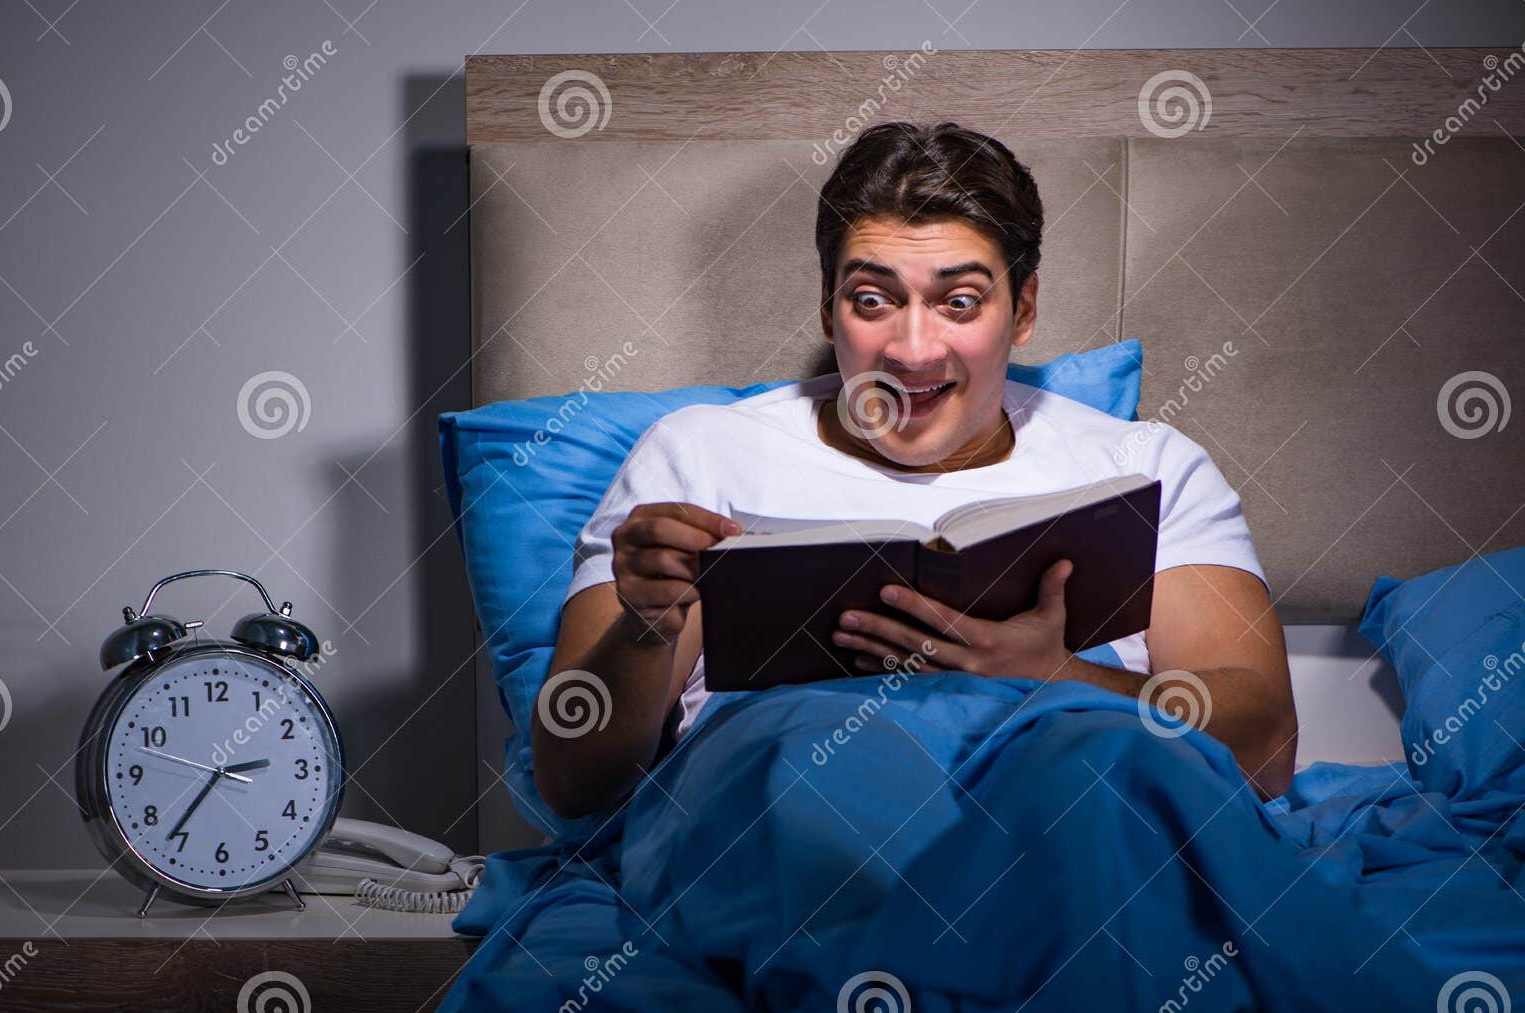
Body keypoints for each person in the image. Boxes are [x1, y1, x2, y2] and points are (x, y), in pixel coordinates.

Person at [533, 121, 1297, 819]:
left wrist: (1060, 677)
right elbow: (574, 785)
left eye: (959, 302)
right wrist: (641, 633)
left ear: (1023, 309)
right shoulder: (697, 456)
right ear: (826, 305)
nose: (912, 350)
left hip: (1070, 833)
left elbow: (1264, 749)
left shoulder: (1145, 466)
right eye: (873, 300)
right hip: (789, 843)